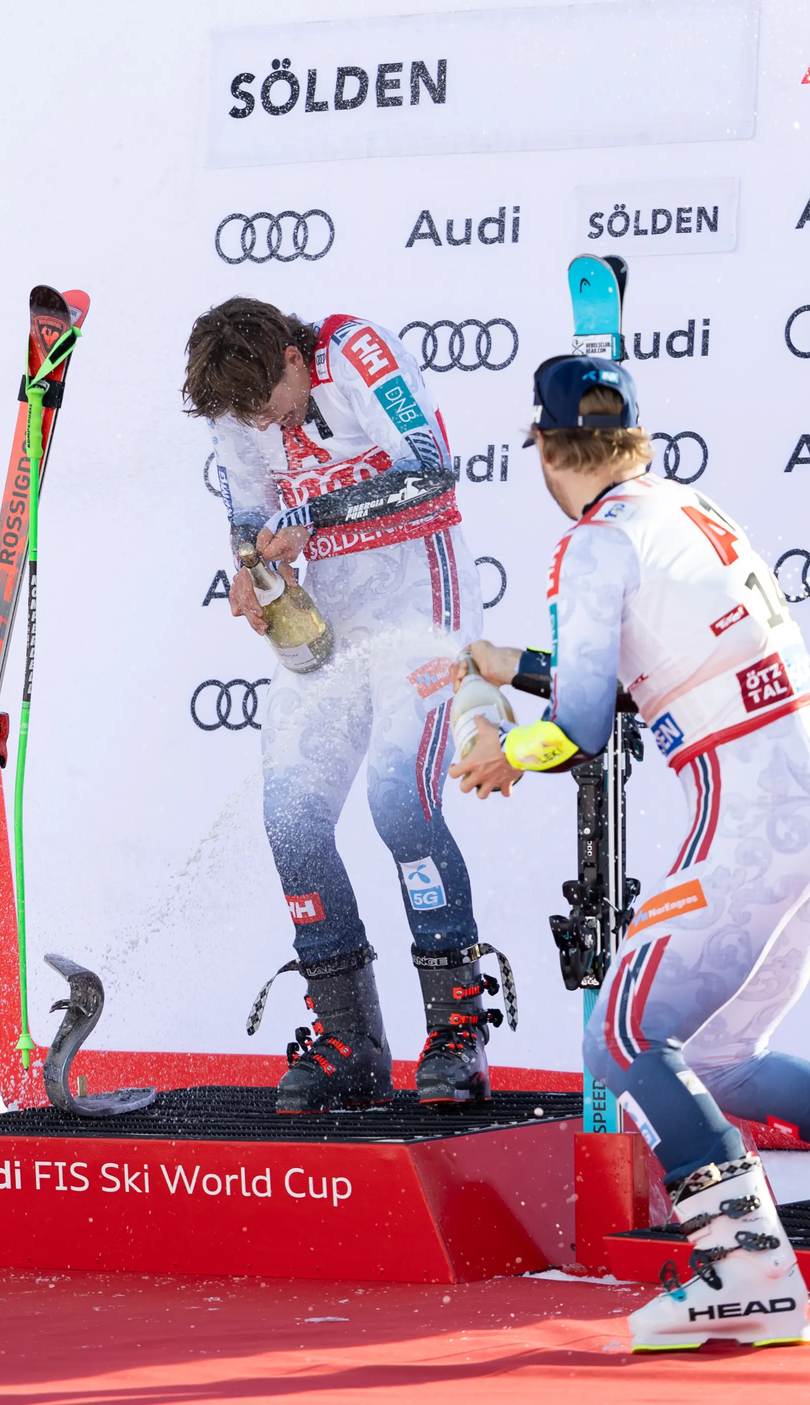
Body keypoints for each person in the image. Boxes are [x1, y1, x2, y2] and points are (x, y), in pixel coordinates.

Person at [450, 353, 810, 1350]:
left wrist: (507, 753)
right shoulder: (688, 507)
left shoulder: (595, 542)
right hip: (788, 793)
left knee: (624, 1035)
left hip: (752, 804)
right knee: (725, 1065)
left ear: (543, 449)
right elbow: (623, 676)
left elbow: (582, 720)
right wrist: (513, 667)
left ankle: (747, 1276)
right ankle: (751, 1272)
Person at [184, 297, 504, 1113]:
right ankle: (350, 1042)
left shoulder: (357, 351)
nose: (265, 423)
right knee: (291, 818)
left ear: (294, 359)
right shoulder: (242, 402)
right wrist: (250, 567)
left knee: (399, 805)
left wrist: (313, 513)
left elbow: (432, 467)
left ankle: (458, 1033)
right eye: (246, 416)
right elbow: (251, 506)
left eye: (269, 405)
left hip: (419, 604)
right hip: (328, 618)